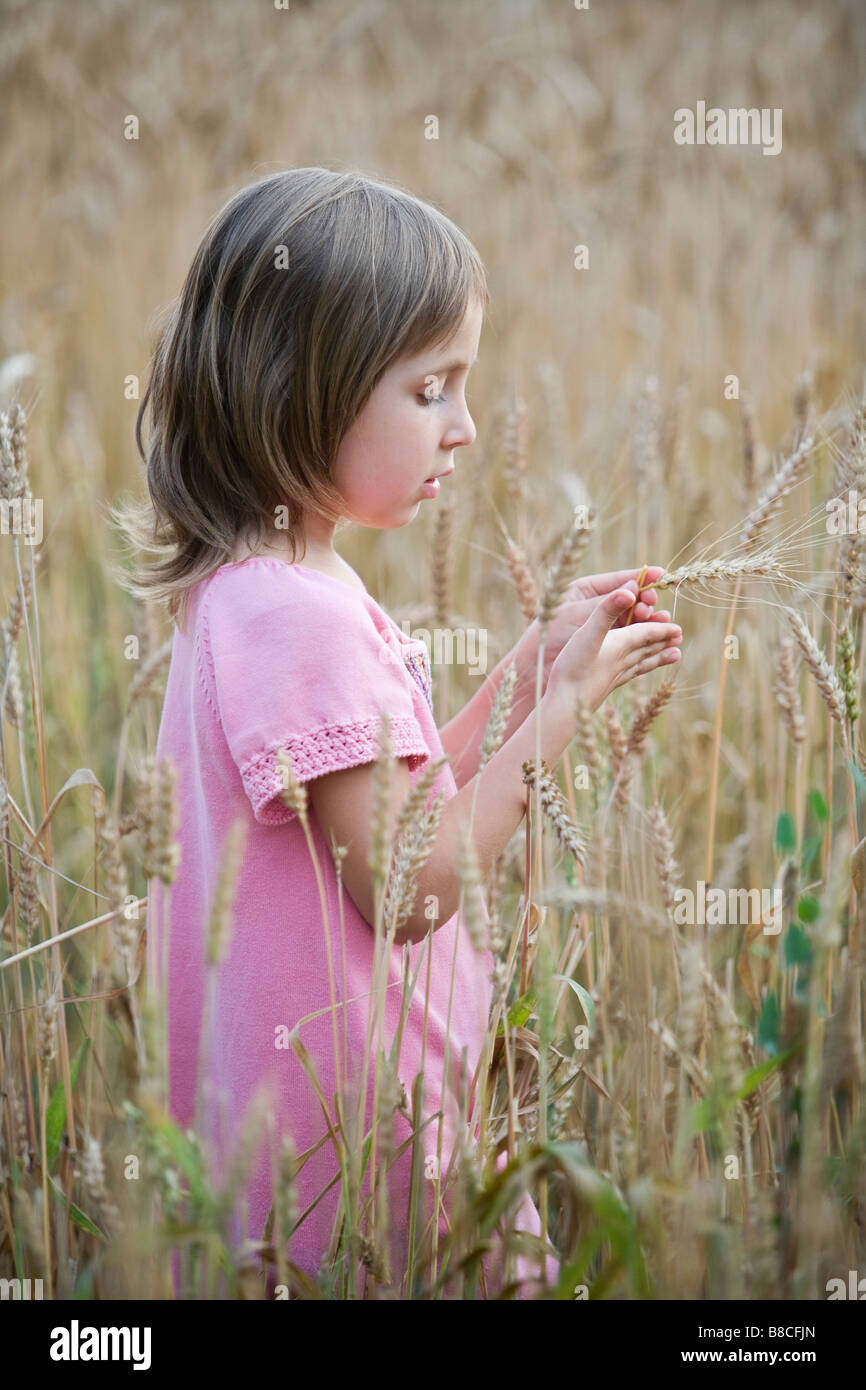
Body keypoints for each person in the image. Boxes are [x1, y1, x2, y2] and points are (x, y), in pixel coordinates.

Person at [111, 166, 683, 1300]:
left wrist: (528, 668)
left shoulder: (270, 580)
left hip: (334, 1137)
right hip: (359, 1171)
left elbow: (400, 796)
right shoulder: (292, 612)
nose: (466, 429)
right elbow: (416, 881)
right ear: (295, 391)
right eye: (430, 390)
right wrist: (559, 717)